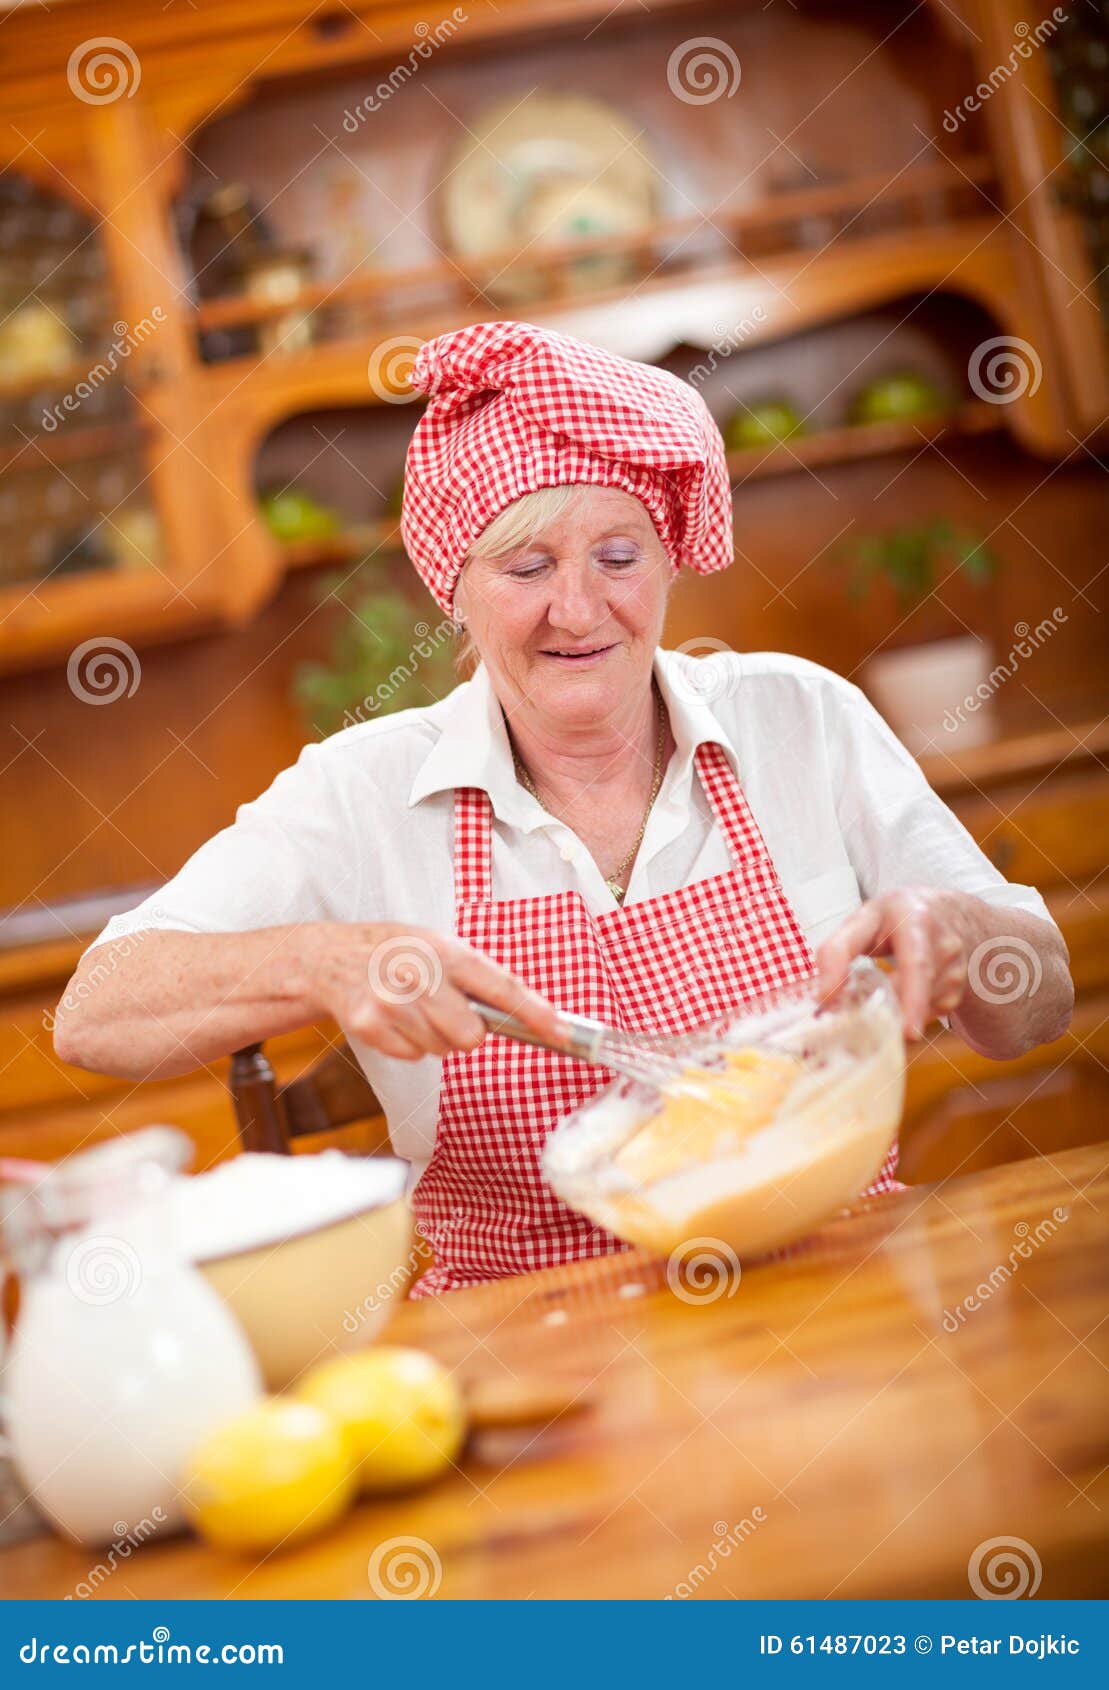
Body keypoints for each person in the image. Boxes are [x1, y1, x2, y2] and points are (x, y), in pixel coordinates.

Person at [55, 320, 1073, 1295]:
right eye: (527, 567)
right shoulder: (360, 793)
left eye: (617, 558)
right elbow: (97, 1013)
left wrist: (967, 935)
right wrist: (322, 961)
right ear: (452, 586)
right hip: (531, 1348)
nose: (577, 610)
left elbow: (1038, 1002)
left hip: (840, 1285)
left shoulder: (798, 719)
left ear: (669, 555)